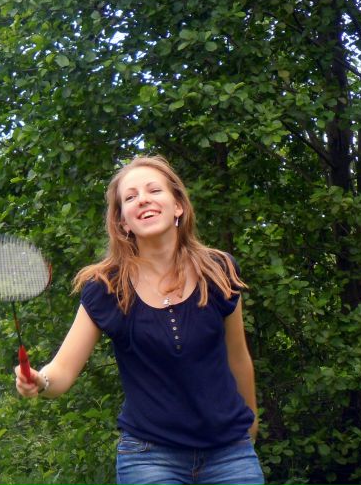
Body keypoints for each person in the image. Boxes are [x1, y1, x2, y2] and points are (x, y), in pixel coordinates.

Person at [15, 155, 264, 485]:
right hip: (149, 458)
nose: (143, 199)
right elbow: (61, 371)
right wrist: (40, 381)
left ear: (178, 206)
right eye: (130, 197)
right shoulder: (106, 288)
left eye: (154, 190)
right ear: (123, 223)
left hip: (230, 453)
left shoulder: (219, 271)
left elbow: (238, 358)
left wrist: (250, 428)